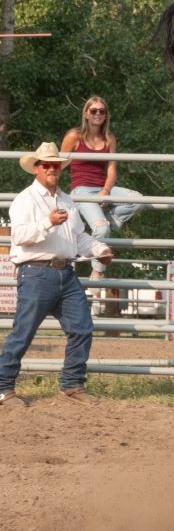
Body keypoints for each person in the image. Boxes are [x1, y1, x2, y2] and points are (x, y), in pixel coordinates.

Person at [0, 142, 113, 408]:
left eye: (56, 165)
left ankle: (73, 383)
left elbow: (78, 236)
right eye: (46, 165)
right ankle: (4, 388)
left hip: (65, 271)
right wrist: (48, 222)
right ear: (36, 169)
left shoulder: (66, 200)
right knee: (23, 332)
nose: (52, 169)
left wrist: (99, 249)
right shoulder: (24, 200)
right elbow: (19, 236)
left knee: (82, 327)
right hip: (36, 272)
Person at [60, 95, 145, 279]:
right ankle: (98, 269)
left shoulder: (108, 138)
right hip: (81, 190)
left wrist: (105, 192)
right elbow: (59, 164)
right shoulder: (74, 136)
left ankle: (102, 221)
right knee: (102, 229)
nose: (98, 114)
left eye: (102, 111)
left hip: (103, 187)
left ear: (106, 115)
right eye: (94, 110)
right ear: (86, 114)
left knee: (138, 200)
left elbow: (112, 169)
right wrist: (55, 192)